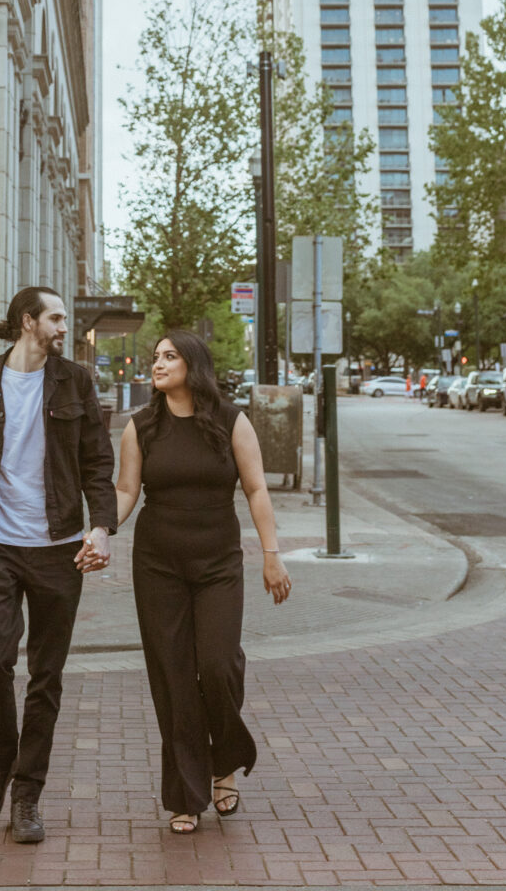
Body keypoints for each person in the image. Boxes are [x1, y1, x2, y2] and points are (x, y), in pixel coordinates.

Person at [0, 287, 117, 844]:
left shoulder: (75, 382)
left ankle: (27, 793)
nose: (64, 326)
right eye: (56, 317)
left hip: (59, 548)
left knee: (46, 676)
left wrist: (101, 527)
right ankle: (0, 759)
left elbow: (97, 462)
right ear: (28, 321)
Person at [114, 330, 292, 834]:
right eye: (156, 357)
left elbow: (256, 490)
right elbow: (126, 490)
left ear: (193, 365)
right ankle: (186, 794)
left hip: (218, 563)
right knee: (173, 678)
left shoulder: (231, 421)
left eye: (169, 356)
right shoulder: (141, 426)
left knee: (217, 664)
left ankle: (224, 760)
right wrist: (101, 530)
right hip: (157, 564)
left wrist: (272, 556)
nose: (158, 364)